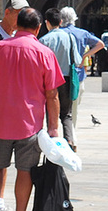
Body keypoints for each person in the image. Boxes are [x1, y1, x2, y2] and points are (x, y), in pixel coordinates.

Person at [0, 7, 63, 211]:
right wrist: (53, 128)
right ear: (39, 28)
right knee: (25, 171)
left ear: (17, 25)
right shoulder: (45, 53)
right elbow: (52, 95)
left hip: (0, 122)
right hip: (30, 125)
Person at [39, 8, 80, 148]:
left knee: (50, 112)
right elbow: (78, 60)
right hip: (67, 79)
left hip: (50, 81)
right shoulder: (70, 37)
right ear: (61, 22)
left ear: (47, 23)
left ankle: (52, 142)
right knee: (66, 114)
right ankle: (69, 140)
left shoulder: (43, 40)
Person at [59, 6, 103, 128]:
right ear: (74, 19)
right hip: (77, 76)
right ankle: (71, 132)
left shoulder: (57, 33)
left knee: (57, 106)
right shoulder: (82, 33)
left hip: (59, 75)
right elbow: (100, 44)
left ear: (60, 19)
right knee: (73, 108)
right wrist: (85, 55)